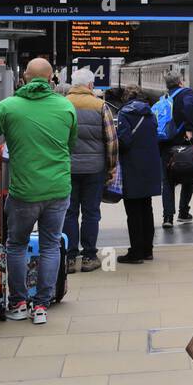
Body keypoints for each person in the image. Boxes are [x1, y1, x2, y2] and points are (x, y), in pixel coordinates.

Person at [0, 58, 76, 324]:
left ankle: (19, 303)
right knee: (50, 245)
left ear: (23, 77)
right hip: (58, 189)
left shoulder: (8, 107)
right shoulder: (65, 106)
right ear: (52, 79)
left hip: (24, 192)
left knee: (16, 245)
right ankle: (41, 307)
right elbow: (70, 144)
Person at [64, 67, 118, 274]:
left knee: (69, 212)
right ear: (90, 85)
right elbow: (111, 141)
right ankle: (88, 257)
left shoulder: (61, 104)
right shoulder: (100, 105)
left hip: (67, 168)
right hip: (94, 169)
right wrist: (111, 167)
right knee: (91, 212)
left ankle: (69, 258)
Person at [105, 86, 163, 264]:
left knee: (133, 211)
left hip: (133, 167)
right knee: (147, 208)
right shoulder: (150, 113)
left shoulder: (125, 113)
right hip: (150, 166)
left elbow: (125, 141)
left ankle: (135, 252)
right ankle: (148, 250)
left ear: (126, 98)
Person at [158, 73, 193, 230]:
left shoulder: (164, 98)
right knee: (188, 176)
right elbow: (189, 109)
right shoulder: (187, 93)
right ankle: (183, 213)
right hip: (184, 143)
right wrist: (190, 129)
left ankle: (168, 217)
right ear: (179, 82)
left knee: (168, 182)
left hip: (165, 144)